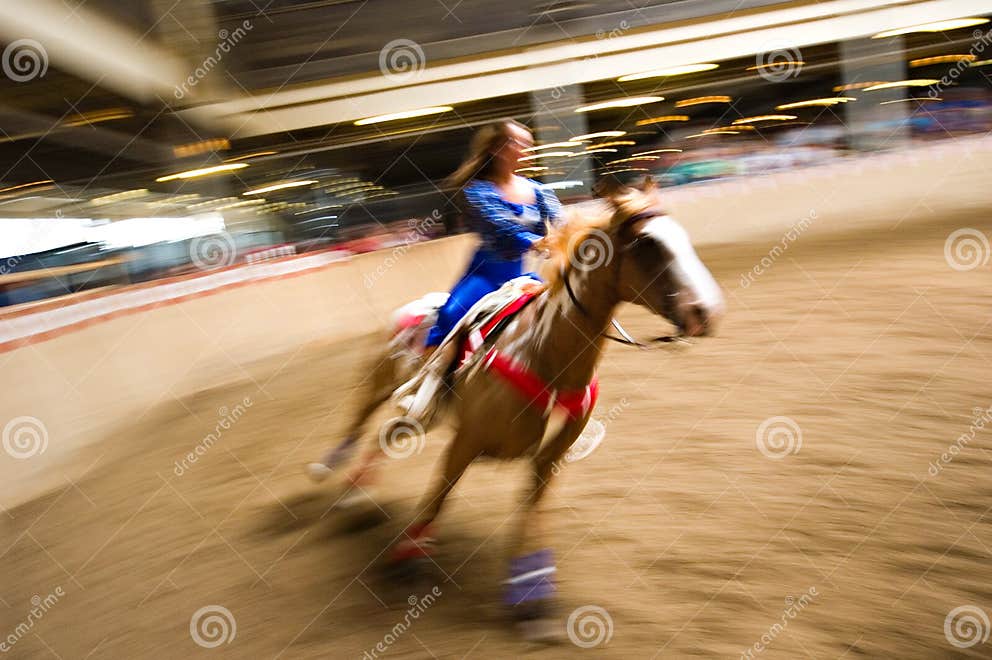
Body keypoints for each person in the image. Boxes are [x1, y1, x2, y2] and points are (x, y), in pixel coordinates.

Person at [426, 119, 563, 352]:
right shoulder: (477, 191)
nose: (525, 149)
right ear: (495, 148)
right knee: (451, 315)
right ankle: (438, 380)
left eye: (528, 143)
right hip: (485, 276)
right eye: (517, 143)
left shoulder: (539, 191)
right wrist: (538, 242)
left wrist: (567, 238)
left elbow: (561, 221)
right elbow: (503, 229)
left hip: (520, 275)